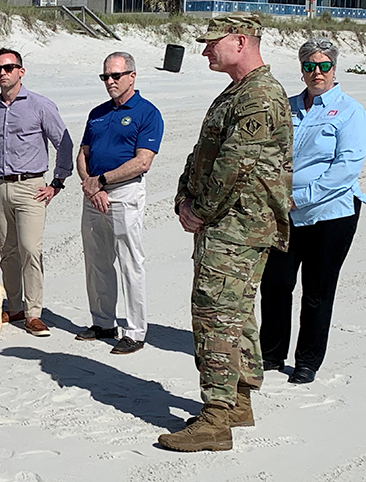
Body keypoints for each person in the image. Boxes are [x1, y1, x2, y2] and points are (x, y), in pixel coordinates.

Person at [159, 12, 292, 452]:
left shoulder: (259, 96)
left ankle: (215, 418)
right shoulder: (237, 92)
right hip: (226, 222)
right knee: (235, 312)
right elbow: (203, 153)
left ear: (240, 41)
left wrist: (200, 210)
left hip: (237, 225)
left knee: (214, 312)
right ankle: (237, 401)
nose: (204, 50)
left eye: (212, 42)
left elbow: (235, 166)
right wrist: (183, 197)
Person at [259, 38, 366, 385]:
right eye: (309, 66)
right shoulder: (285, 107)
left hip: (331, 214)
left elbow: (346, 167)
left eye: (323, 66)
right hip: (283, 213)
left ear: (334, 69)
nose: (316, 73)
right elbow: (269, 152)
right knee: (276, 283)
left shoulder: (351, 111)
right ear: (301, 69)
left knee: (317, 291)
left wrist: (299, 198)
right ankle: (271, 354)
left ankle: (307, 361)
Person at [0, 47, 73, 337]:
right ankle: (13, 307)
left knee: (31, 249)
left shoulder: (40, 105)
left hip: (32, 187)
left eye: (8, 67)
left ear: (21, 72)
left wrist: (57, 182)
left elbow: (63, 143)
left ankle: (34, 313)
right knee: (8, 252)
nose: (2, 73)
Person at [74, 52, 163, 355]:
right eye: (105, 77)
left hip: (124, 194)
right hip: (93, 193)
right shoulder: (98, 112)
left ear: (131, 76)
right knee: (96, 260)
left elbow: (143, 162)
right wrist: (90, 185)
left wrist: (103, 181)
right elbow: (83, 153)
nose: (110, 82)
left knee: (129, 262)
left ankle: (136, 331)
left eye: (115, 76)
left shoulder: (147, 113)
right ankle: (103, 322)